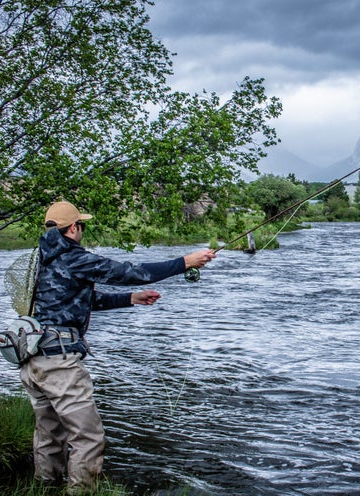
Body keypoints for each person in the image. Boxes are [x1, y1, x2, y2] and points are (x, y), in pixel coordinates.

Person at [20, 200, 215, 494]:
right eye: (81, 225)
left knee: (50, 434)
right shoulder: (73, 257)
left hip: (34, 358)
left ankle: (44, 489)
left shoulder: (44, 258)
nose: (82, 229)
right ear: (74, 228)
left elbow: (77, 302)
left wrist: (130, 299)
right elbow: (128, 272)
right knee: (88, 437)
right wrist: (185, 262)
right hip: (59, 362)